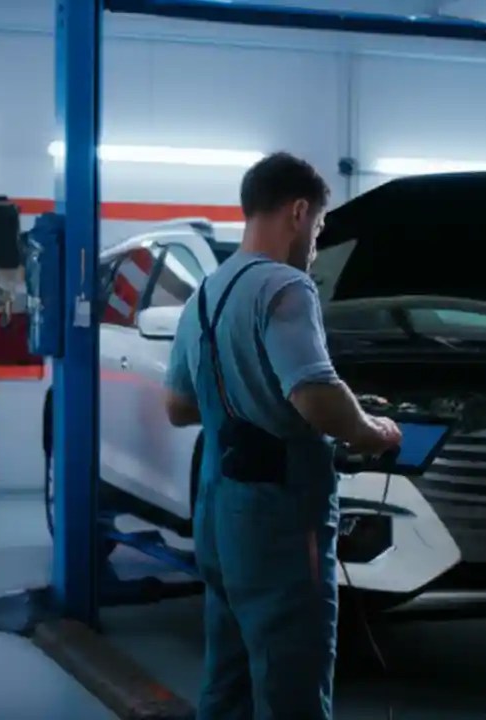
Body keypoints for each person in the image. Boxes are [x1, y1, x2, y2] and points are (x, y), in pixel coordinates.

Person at [162, 152, 403, 719]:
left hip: (218, 514)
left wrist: (244, 393)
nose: (315, 244)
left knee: (228, 680)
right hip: (279, 521)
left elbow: (178, 406)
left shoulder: (203, 295)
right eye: (317, 228)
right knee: (291, 682)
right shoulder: (286, 286)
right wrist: (372, 430)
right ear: (298, 212)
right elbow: (314, 394)